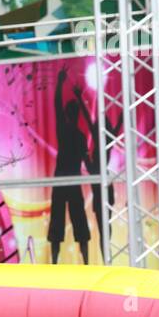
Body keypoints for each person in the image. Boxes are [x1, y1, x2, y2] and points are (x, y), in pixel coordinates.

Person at [48, 67, 94, 264]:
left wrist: (60, 82)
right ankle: (62, 263)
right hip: (66, 179)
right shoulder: (71, 132)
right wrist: (59, 83)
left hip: (69, 180)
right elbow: (57, 106)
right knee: (60, 222)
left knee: (75, 222)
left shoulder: (74, 134)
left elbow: (86, 161)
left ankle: (83, 263)